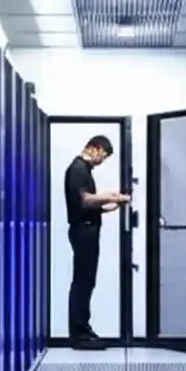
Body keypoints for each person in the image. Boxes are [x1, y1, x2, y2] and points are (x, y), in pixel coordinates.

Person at [63, 135, 130, 345]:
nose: (102, 161)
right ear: (96, 149)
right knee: (83, 282)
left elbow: (88, 205)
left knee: (87, 281)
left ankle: (84, 329)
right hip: (83, 232)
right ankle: (79, 334)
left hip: (87, 230)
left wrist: (110, 205)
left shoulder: (84, 170)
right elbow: (85, 200)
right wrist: (112, 197)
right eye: (103, 156)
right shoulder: (78, 169)